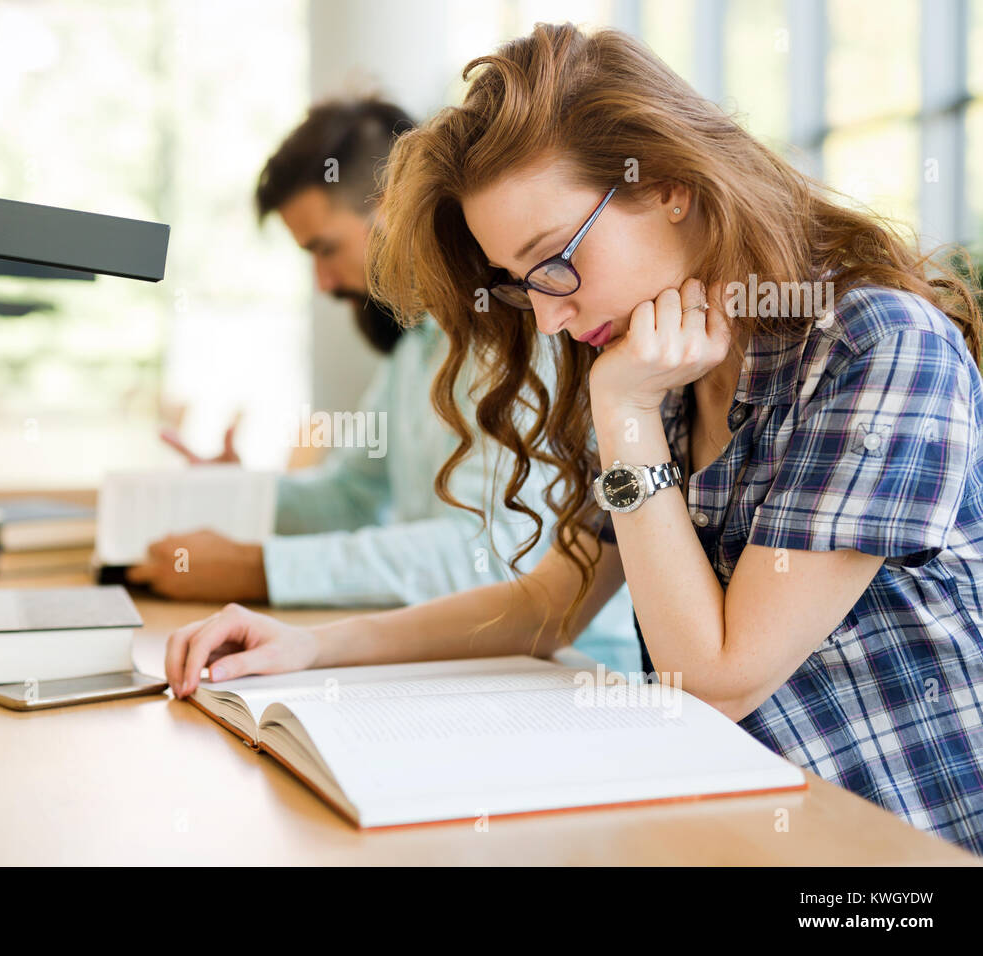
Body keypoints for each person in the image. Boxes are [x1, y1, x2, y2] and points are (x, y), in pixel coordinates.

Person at [162, 24, 983, 855]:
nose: (550, 313)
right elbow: (553, 600)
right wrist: (313, 646)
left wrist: (626, 420)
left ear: (669, 185)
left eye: (554, 259)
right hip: (728, 822)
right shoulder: (661, 361)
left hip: (890, 855)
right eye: (521, 284)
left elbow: (715, 681)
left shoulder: (874, 346)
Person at [132, 96, 640, 672]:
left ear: (392, 211)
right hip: (481, 654)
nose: (323, 283)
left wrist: (259, 567)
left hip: (570, 666)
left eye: (325, 248)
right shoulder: (418, 343)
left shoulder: (518, 337)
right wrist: (236, 495)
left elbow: (486, 556)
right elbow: (353, 494)